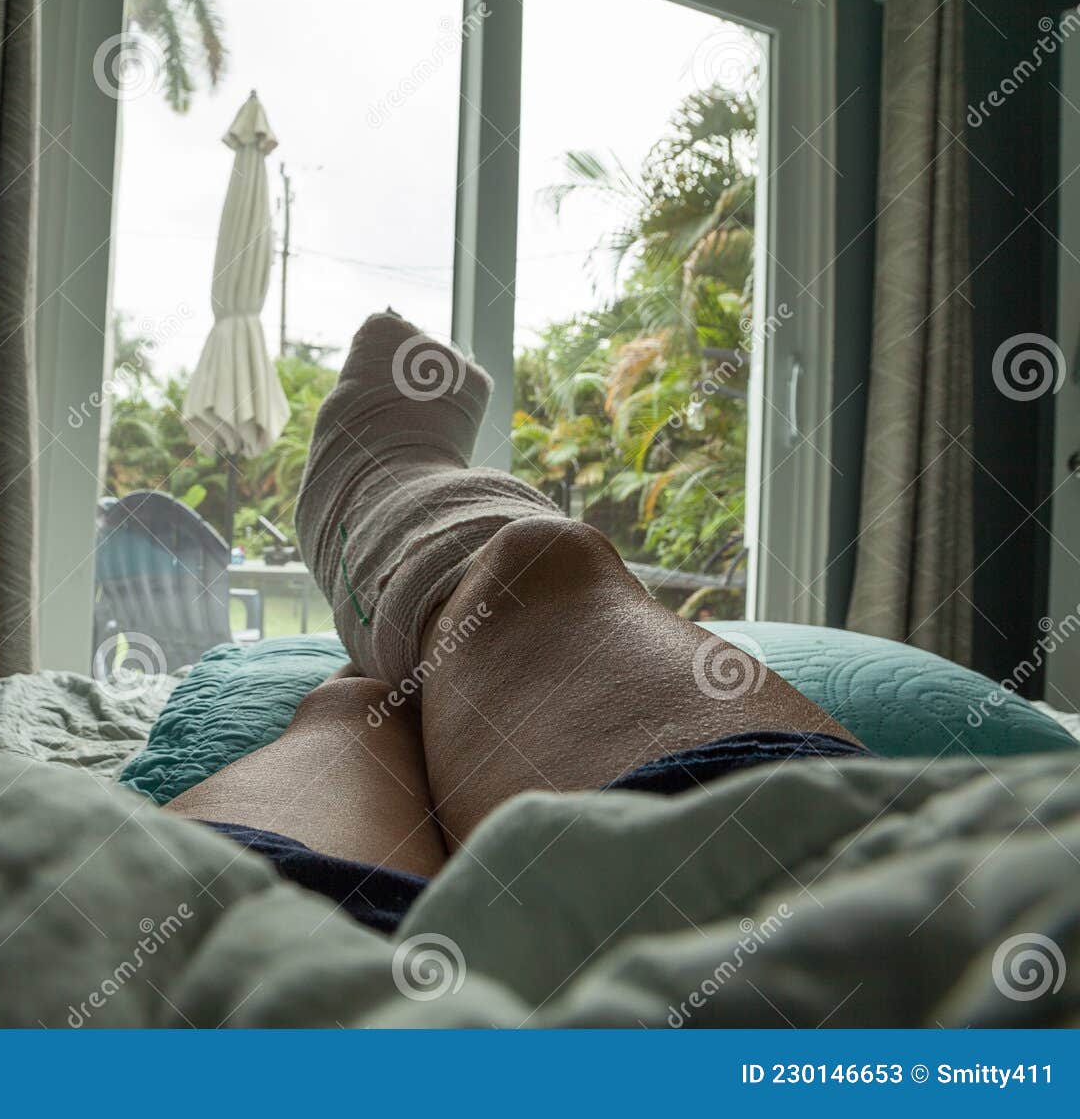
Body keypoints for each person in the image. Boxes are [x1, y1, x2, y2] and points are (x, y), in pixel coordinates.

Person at [166, 312, 868, 931]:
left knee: (355, 711)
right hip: (831, 924)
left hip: (239, 994)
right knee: (540, 561)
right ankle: (434, 597)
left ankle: (413, 618)